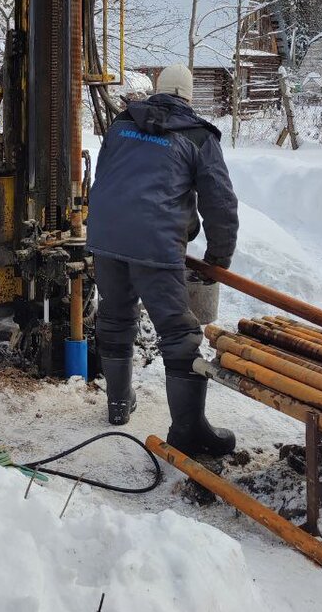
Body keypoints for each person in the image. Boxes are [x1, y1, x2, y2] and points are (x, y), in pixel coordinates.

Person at [86, 63, 239, 456]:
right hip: (153, 244)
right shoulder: (199, 137)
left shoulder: (122, 124)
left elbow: (111, 179)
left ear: (158, 91)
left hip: (105, 237)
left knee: (116, 319)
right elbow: (220, 203)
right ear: (187, 97)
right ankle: (189, 431)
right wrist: (217, 258)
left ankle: (118, 406)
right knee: (179, 333)